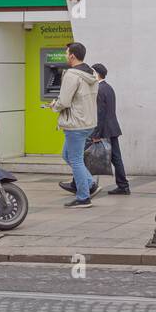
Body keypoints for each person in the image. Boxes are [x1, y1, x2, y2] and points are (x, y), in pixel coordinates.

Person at [50, 43, 98, 208]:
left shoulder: (71, 74)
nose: (65, 56)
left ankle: (84, 197)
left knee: (75, 160)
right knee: (67, 155)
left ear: (72, 56)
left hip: (76, 124)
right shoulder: (91, 73)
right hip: (88, 122)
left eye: (66, 53)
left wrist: (54, 106)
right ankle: (90, 182)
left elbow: (64, 101)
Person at [90, 64, 129, 195]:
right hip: (112, 127)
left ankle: (122, 185)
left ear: (96, 73)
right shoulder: (108, 87)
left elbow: (100, 113)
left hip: (105, 129)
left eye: (92, 72)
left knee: (111, 157)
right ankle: (123, 185)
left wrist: (96, 133)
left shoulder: (99, 90)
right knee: (116, 157)